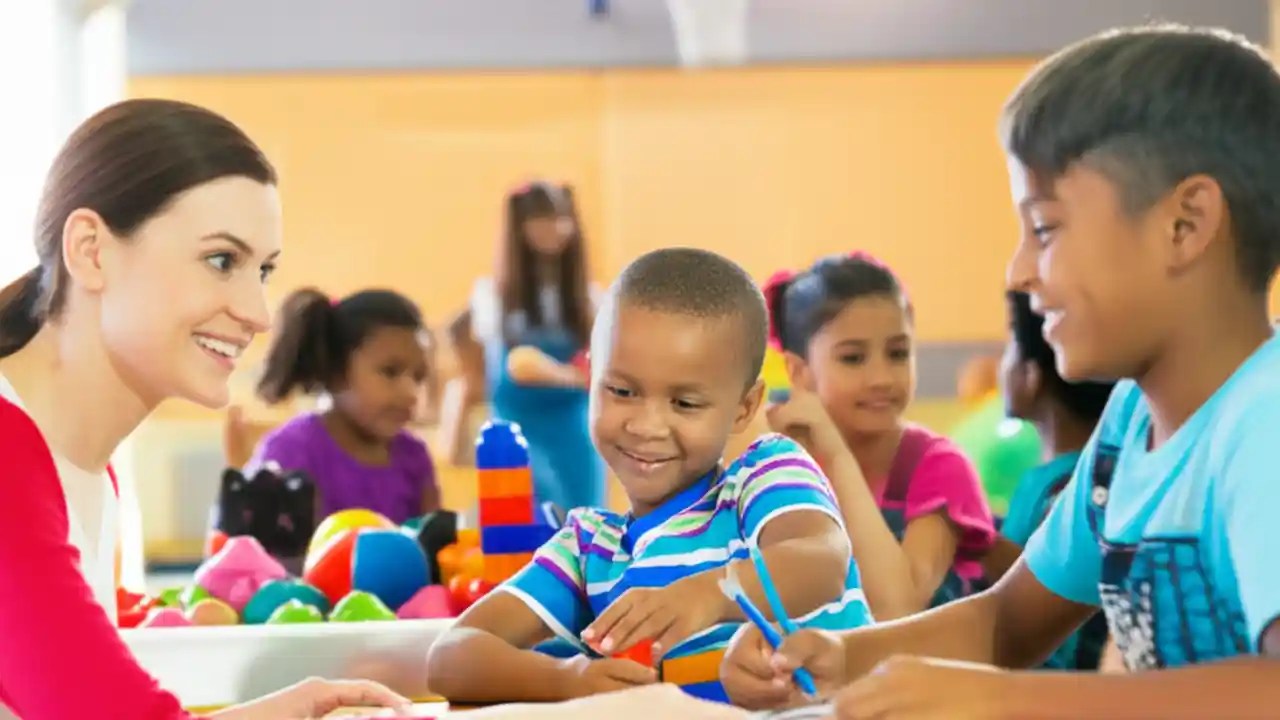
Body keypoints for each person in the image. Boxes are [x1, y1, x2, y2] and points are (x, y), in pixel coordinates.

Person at [721, 24, 1280, 718]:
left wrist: (1004, 700)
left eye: (1044, 229)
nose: (1018, 272)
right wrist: (842, 656)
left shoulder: (1266, 424)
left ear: (1185, 226)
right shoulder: (1129, 425)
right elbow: (1002, 624)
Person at [0, 99, 408, 719]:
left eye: (263, 270)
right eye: (222, 261)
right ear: (91, 250)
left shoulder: (88, 475)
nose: (258, 313)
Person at [426, 248, 871, 704]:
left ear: (744, 407)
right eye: (622, 391)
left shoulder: (763, 475)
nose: (646, 426)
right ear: (591, 379)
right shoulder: (587, 549)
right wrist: (566, 679)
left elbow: (822, 561)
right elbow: (451, 657)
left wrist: (711, 592)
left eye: (685, 403)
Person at [763, 254, 995, 619]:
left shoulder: (937, 466)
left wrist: (838, 458)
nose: (882, 378)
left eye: (898, 353)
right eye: (854, 359)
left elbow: (895, 610)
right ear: (799, 371)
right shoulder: (778, 462)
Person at [443, 181, 604, 513]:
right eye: (541, 220)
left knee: (581, 522)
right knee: (522, 521)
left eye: (561, 219)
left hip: (573, 432)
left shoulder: (588, 301)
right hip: (516, 432)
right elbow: (486, 370)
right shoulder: (493, 300)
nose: (554, 230)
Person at [980, 290, 1114, 670]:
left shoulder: (1063, 491)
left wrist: (975, 539)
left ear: (1031, 375)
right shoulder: (1050, 480)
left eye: (1009, 347)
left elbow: (1033, 597)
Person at [248, 288, 439, 524]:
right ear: (335, 370)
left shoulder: (413, 456)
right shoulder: (291, 452)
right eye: (390, 372)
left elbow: (432, 546)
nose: (410, 393)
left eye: (418, 377)